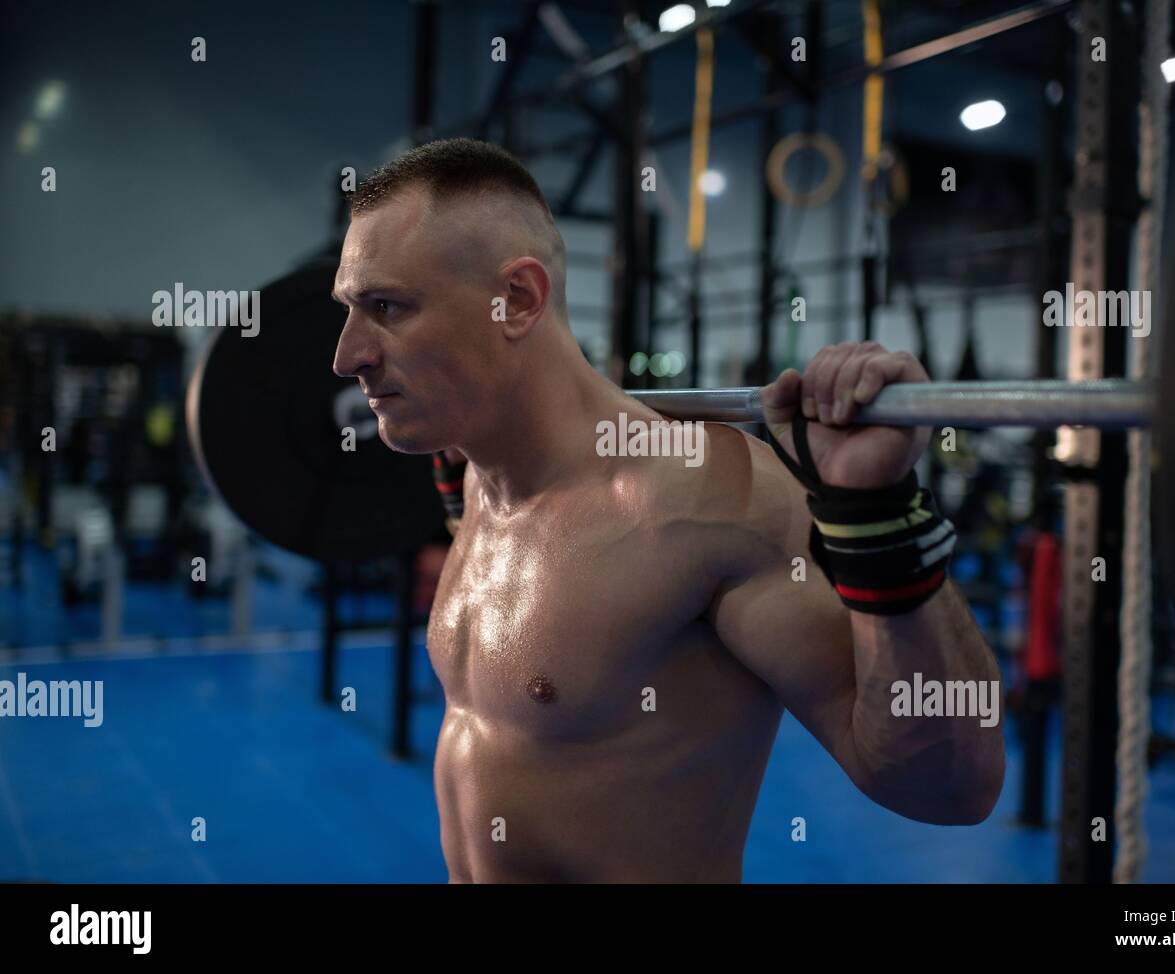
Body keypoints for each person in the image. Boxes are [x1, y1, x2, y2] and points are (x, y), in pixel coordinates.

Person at [332, 138, 1004, 882]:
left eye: (385, 307)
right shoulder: (479, 483)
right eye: (349, 311)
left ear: (517, 300)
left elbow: (952, 787)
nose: (347, 353)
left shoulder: (706, 499)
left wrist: (878, 515)